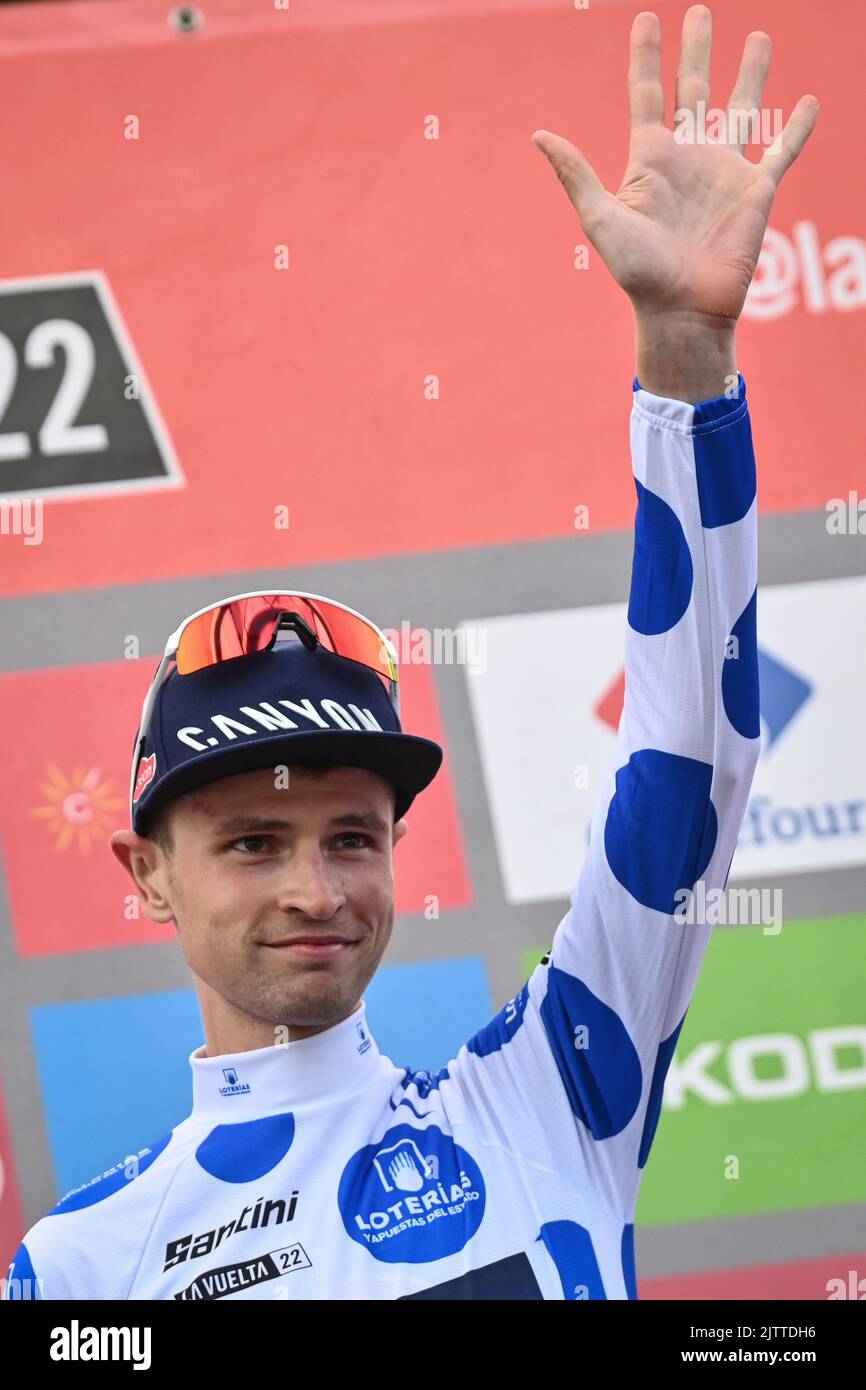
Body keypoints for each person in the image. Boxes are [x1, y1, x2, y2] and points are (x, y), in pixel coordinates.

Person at [4, 5, 817, 1300]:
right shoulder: (81, 1267)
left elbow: (688, 759)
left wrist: (683, 363)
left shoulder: (553, 1090)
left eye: (351, 835)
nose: (317, 888)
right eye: (253, 843)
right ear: (145, 874)